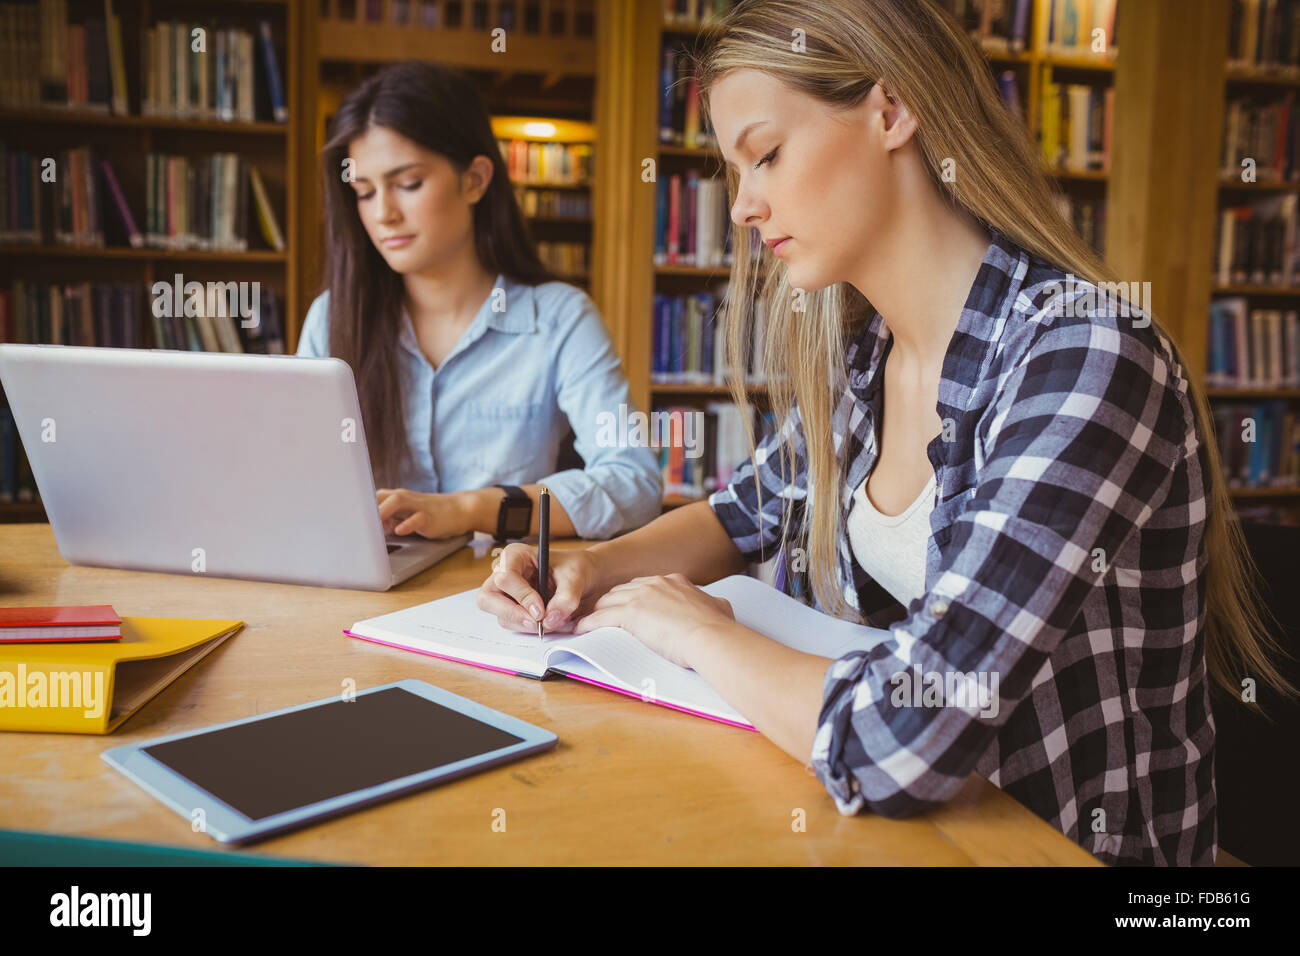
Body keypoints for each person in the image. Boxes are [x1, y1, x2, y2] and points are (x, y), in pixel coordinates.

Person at [477, 0, 1294, 865]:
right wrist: (591, 568)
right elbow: (740, 513)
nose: (747, 207)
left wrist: (698, 631)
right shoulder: (863, 354)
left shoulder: (1086, 356)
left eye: (767, 155)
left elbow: (912, 730)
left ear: (892, 110)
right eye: (735, 173)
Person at [297, 60, 661, 542]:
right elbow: (298, 476)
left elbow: (635, 481)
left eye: (408, 185)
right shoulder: (332, 319)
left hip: (497, 595)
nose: (383, 213)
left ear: (475, 180)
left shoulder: (558, 319)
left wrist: (472, 508)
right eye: (363, 192)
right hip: (365, 593)